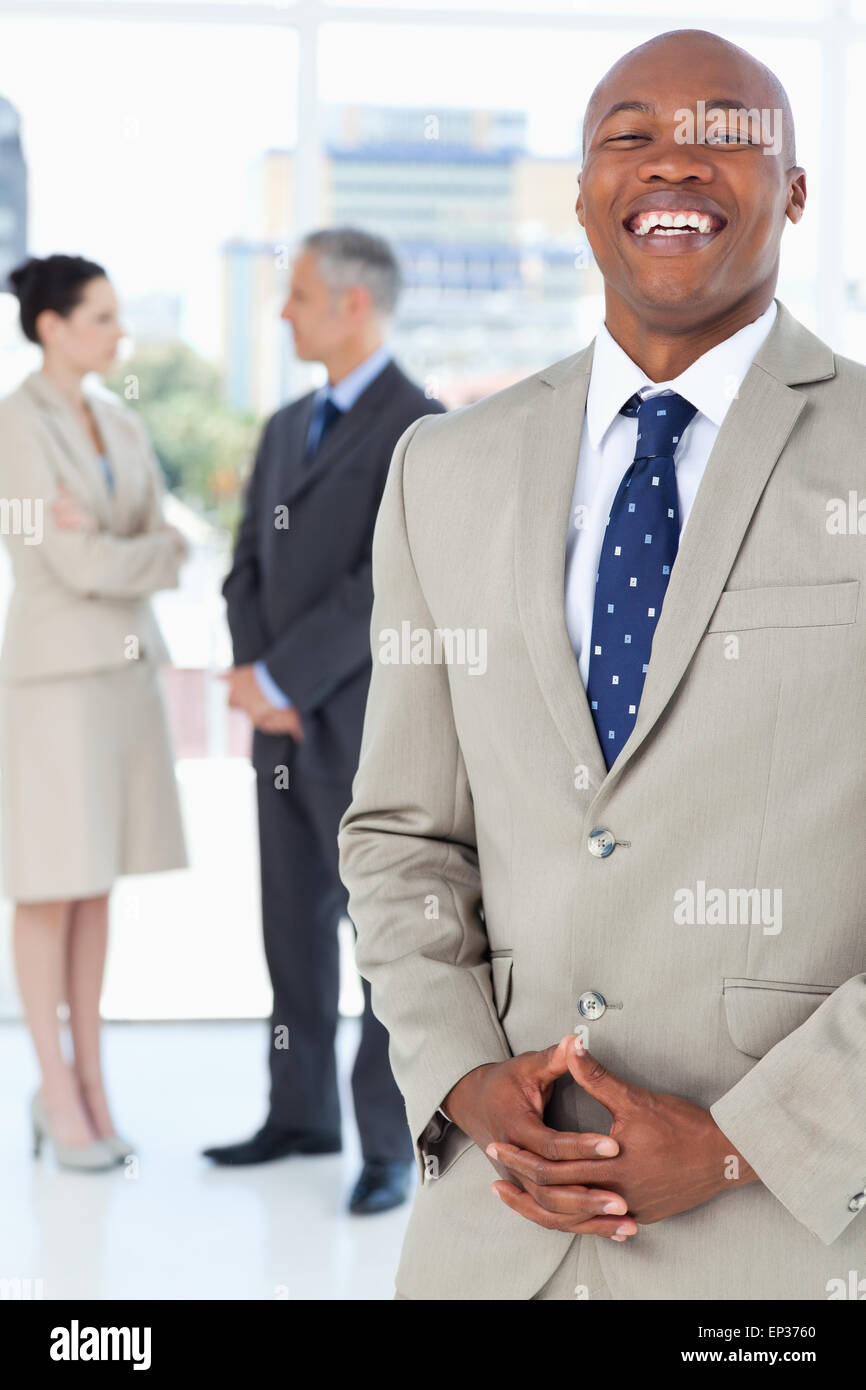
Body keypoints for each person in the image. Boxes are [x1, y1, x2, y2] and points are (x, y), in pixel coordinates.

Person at [338, 29, 866, 1298]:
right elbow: (402, 832)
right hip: (491, 1235)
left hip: (788, 1249)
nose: (671, 164)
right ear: (580, 194)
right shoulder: (442, 469)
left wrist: (748, 1146)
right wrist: (460, 1073)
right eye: (627, 136)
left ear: (793, 189)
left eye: (725, 136)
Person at [205, 228, 446, 1215]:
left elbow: (383, 582)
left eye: (297, 294)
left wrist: (287, 679)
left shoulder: (420, 426)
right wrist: (257, 681)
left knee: (383, 944)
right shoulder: (281, 425)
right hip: (280, 727)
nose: (282, 311)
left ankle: (386, 1144)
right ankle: (298, 1110)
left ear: (353, 303)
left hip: (361, 726)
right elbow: (242, 568)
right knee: (288, 928)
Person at [0, 254, 189, 1172]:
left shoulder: (116, 419)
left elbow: (173, 537)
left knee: (96, 885)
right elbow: (67, 565)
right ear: (52, 325)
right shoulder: (15, 424)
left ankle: (92, 1086)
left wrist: (130, 548)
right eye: (103, 318)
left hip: (121, 674)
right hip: (53, 684)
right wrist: (136, 553)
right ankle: (57, 1092)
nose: (120, 334)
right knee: (49, 886)